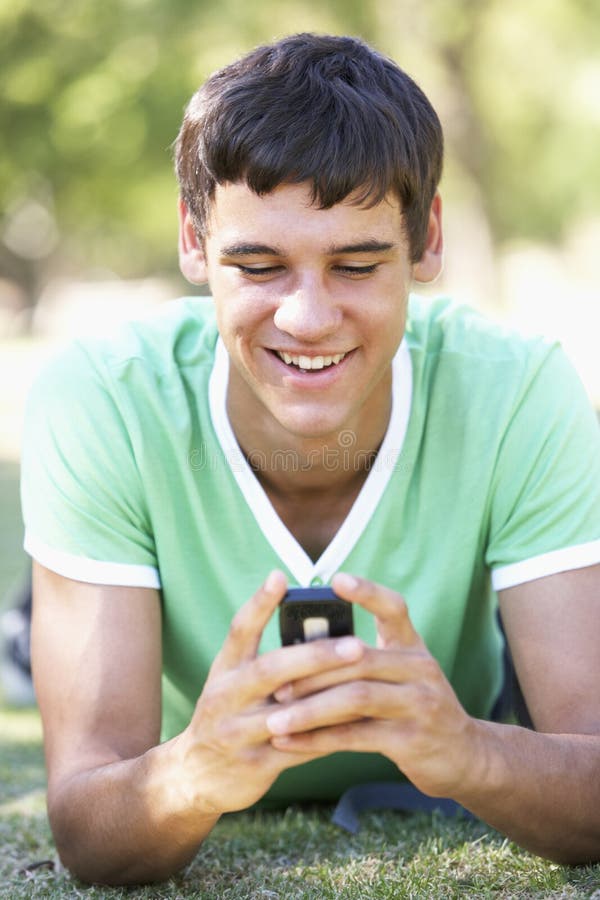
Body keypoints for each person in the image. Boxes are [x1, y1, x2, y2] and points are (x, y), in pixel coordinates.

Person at [21, 33, 600, 886]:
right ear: (192, 240)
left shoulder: (518, 391)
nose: (307, 317)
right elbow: (88, 833)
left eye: (357, 264)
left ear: (426, 239)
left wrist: (468, 752)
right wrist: (192, 772)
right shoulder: (103, 397)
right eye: (257, 265)